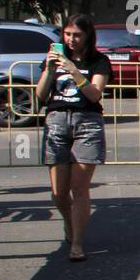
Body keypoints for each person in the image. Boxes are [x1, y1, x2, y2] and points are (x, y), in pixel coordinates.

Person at [35, 14, 112, 261]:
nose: (71, 40)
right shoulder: (54, 59)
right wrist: (49, 70)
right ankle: (69, 222)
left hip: (87, 122)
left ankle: (77, 243)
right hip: (57, 122)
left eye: (77, 35)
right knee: (58, 192)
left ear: (87, 35)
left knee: (79, 188)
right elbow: (40, 95)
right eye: (67, 34)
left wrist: (74, 70)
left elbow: (94, 95)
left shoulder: (99, 61)